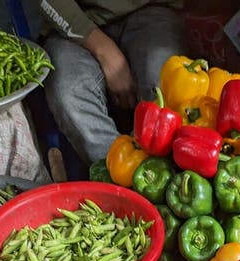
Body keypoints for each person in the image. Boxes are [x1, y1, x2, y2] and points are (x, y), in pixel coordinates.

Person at [39, 0, 186, 165]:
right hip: (73, 21)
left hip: (151, 12)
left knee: (164, 83)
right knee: (68, 93)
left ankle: (159, 174)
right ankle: (120, 178)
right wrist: (103, 49)